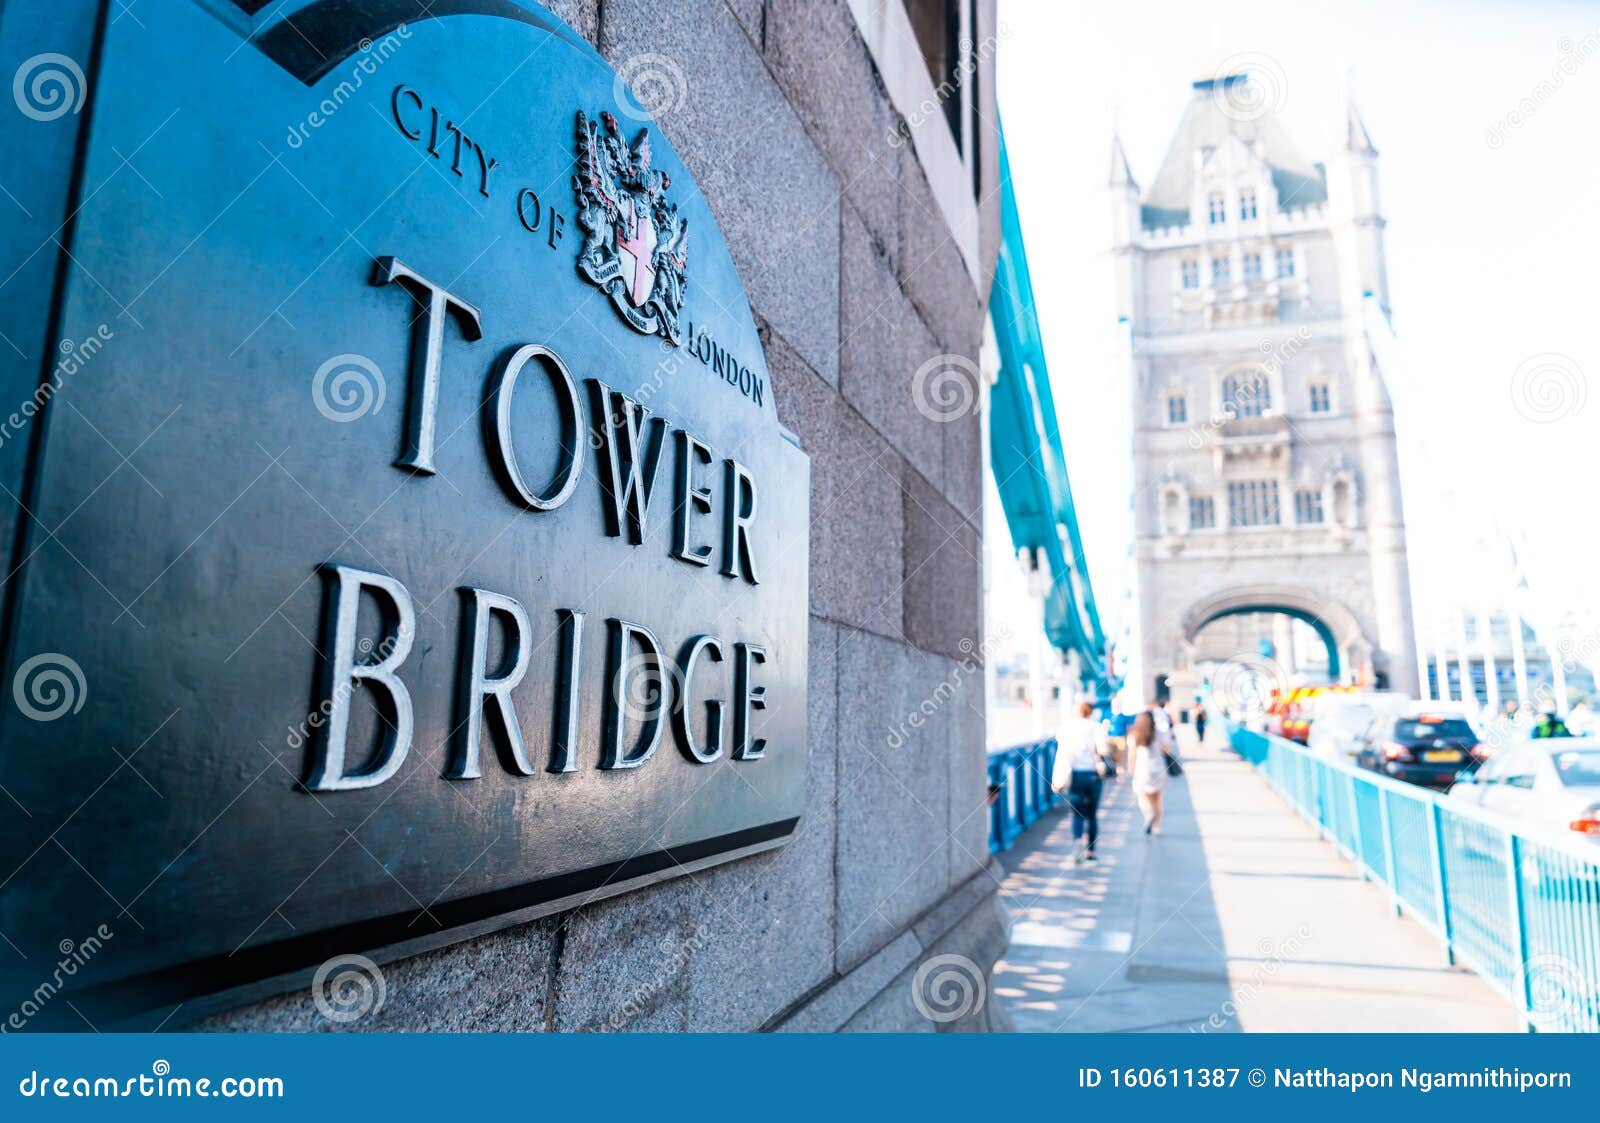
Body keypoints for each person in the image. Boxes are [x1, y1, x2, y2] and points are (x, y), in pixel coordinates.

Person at [1051, 699, 1113, 863]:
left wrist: (1057, 780)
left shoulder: (1067, 727)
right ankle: (1090, 852)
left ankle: (1077, 842)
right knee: (1092, 815)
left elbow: (1061, 755)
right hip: (1093, 775)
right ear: (1091, 712)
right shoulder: (1096, 727)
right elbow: (1103, 749)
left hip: (1075, 775)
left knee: (1077, 813)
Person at [1129, 709, 1168, 835]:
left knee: (1143, 796)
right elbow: (1166, 749)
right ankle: (1157, 827)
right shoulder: (1159, 733)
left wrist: (1131, 768)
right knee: (1157, 799)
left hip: (1142, 768)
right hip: (1158, 767)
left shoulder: (1134, 735)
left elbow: (1132, 754)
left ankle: (1148, 815)